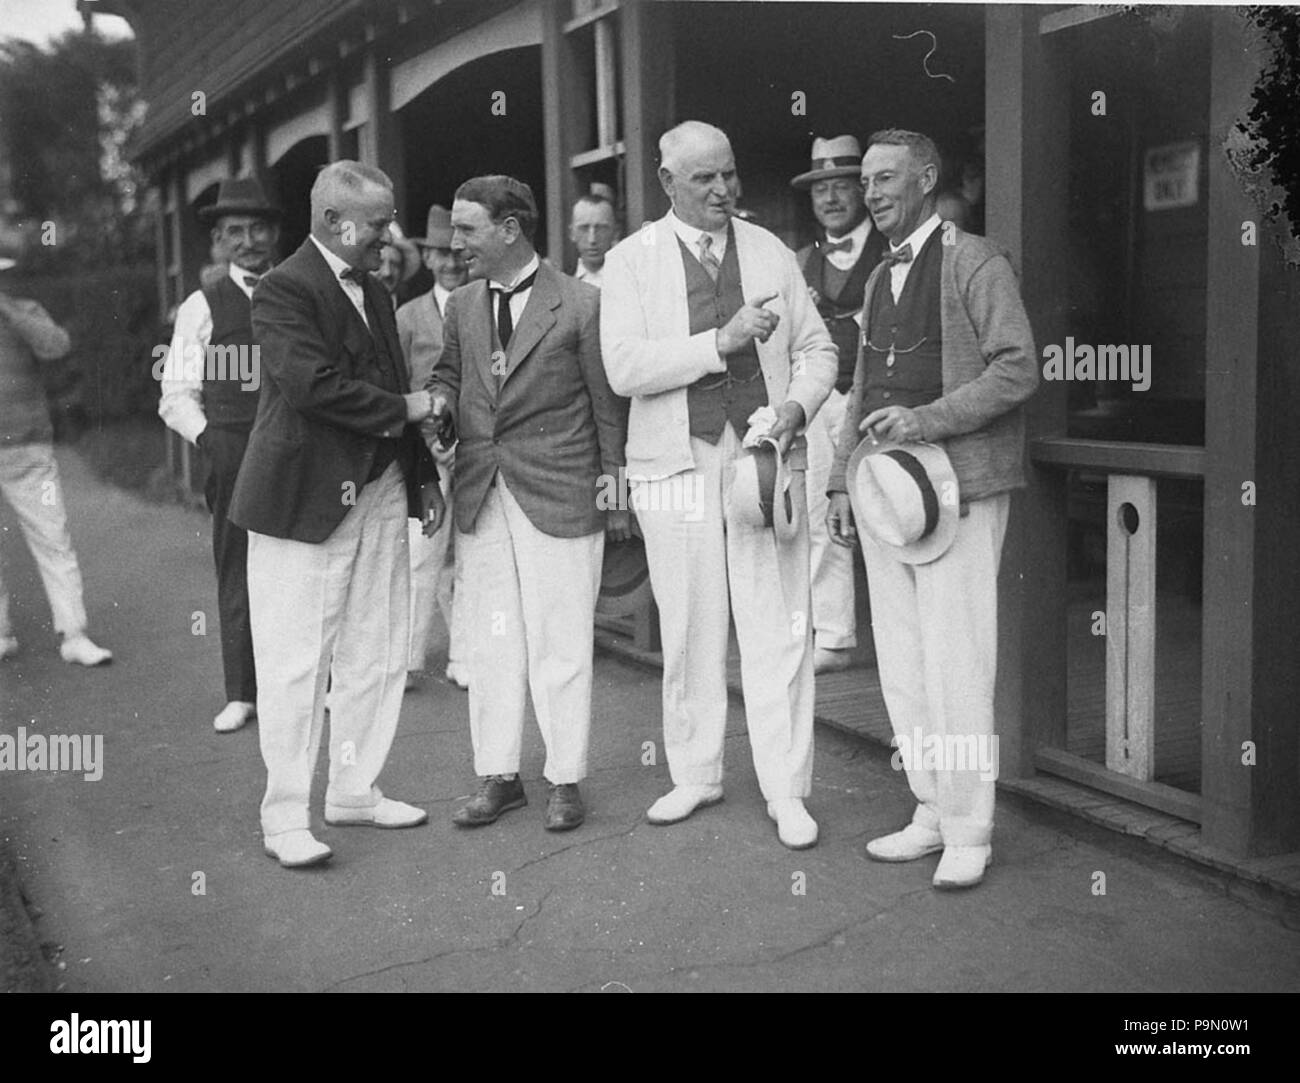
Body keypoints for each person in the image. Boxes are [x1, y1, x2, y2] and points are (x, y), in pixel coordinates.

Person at [600, 121, 837, 850]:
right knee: (691, 623)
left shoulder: (769, 251)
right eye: (704, 179)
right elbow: (624, 368)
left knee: (778, 624)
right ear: (667, 183)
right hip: (674, 464)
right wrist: (719, 343)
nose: (722, 190)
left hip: (761, 459)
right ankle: (697, 772)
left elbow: (817, 348)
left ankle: (786, 789)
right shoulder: (630, 260)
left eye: (728, 174)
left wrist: (794, 410)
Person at [826, 129, 1038, 889]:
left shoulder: (973, 259)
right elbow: (860, 387)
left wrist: (927, 420)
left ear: (927, 176)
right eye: (866, 181)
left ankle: (971, 826)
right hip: (887, 497)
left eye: (885, 179)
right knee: (906, 665)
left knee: (958, 663)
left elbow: (1018, 367)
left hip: (959, 488)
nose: (870, 192)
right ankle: (929, 809)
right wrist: (838, 481)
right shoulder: (880, 276)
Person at [229, 160, 443, 869]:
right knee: (295, 662)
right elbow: (312, 386)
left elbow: (390, 378)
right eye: (379, 222)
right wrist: (408, 410)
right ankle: (284, 815)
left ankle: (354, 788)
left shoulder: (375, 290)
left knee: (375, 650)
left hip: (380, 490)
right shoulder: (284, 289)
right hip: (303, 501)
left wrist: (422, 480)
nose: (391, 234)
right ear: (332, 221)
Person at [428, 174, 628, 833]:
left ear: (509, 230)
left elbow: (607, 407)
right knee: (490, 642)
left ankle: (565, 778)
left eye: (467, 229)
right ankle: (499, 775)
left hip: (563, 488)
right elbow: (451, 375)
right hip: (483, 489)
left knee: (561, 640)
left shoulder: (579, 304)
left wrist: (614, 489)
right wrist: (439, 404)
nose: (455, 243)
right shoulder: (459, 305)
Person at [159, 176, 281, 732]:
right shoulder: (202, 305)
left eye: (258, 228)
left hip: (298, 448)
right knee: (238, 566)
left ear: (275, 233)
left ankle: (313, 683)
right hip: (233, 447)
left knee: (309, 564)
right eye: (236, 231)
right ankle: (242, 691)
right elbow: (176, 395)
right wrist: (214, 442)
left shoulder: (298, 290)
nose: (249, 241)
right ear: (219, 241)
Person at [791, 135, 886, 675]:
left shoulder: (891, 245)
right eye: (820, 189)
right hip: (822, 400)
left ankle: (896, 635)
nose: (830, 198)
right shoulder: (802, 260)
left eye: (841, 187)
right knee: (821, 514)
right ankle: (835, 634)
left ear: (863, 191)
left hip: (876, 401)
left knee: (892, 512)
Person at [0, 213, 112, 667]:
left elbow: (57, 345)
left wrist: (7, 309)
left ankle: (74, 634)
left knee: (53, 536)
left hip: (27, 445)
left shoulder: (23, 310)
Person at [397, 205, 468, 690]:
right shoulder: (409, 316)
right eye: (439, 254)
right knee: (424, 553)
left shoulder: (483, 306)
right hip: (428, 449)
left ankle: (464, 655)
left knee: (470, 555)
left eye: (457, 254)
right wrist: (426, 442)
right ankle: (407, 658)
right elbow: (399, 388)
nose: (449, 263)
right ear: (426, 258)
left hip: (476, 449)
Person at [570, 187, 619, 289]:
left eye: (601, 229)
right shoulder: (562, 282)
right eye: (584, 228)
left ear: (615, 232)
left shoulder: (629, 280)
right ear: (572, 233)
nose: (592, 239)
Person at [375, 222, 420, 309]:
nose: (387, 273)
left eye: (394, 264)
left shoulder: (412, 310)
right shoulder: (352, 307)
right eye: (379, 263)